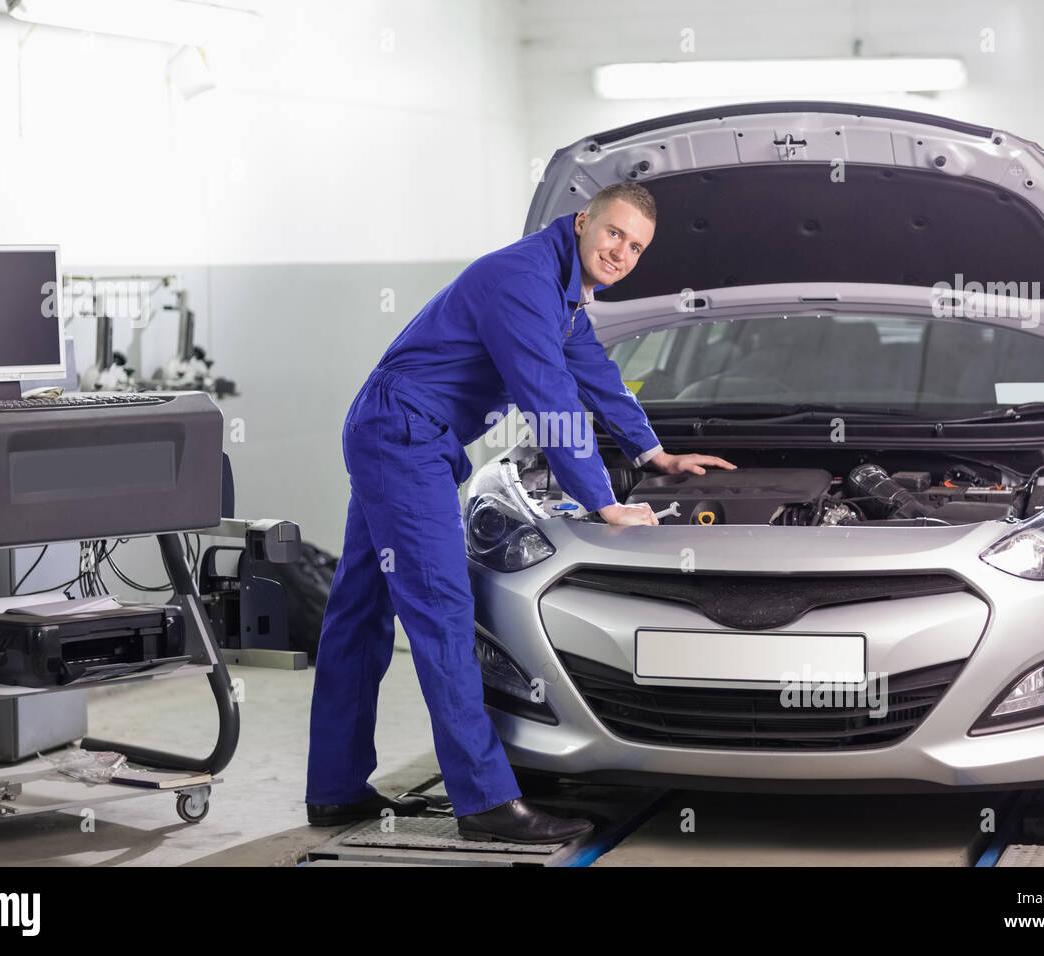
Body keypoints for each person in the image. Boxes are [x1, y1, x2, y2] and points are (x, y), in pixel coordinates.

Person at [306, 182, 735, 843]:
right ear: (583, 221)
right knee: (445, 610)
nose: (623, 252)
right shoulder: (521, 278)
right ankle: (484, 803)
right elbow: (551, 399)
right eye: (615, 234)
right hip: (404, 436)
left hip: (400, 434)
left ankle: (334, 790)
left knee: (360, 613)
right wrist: (604, 503)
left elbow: (596, 375)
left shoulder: (562, 294)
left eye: (637, 247)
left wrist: (654, 453)